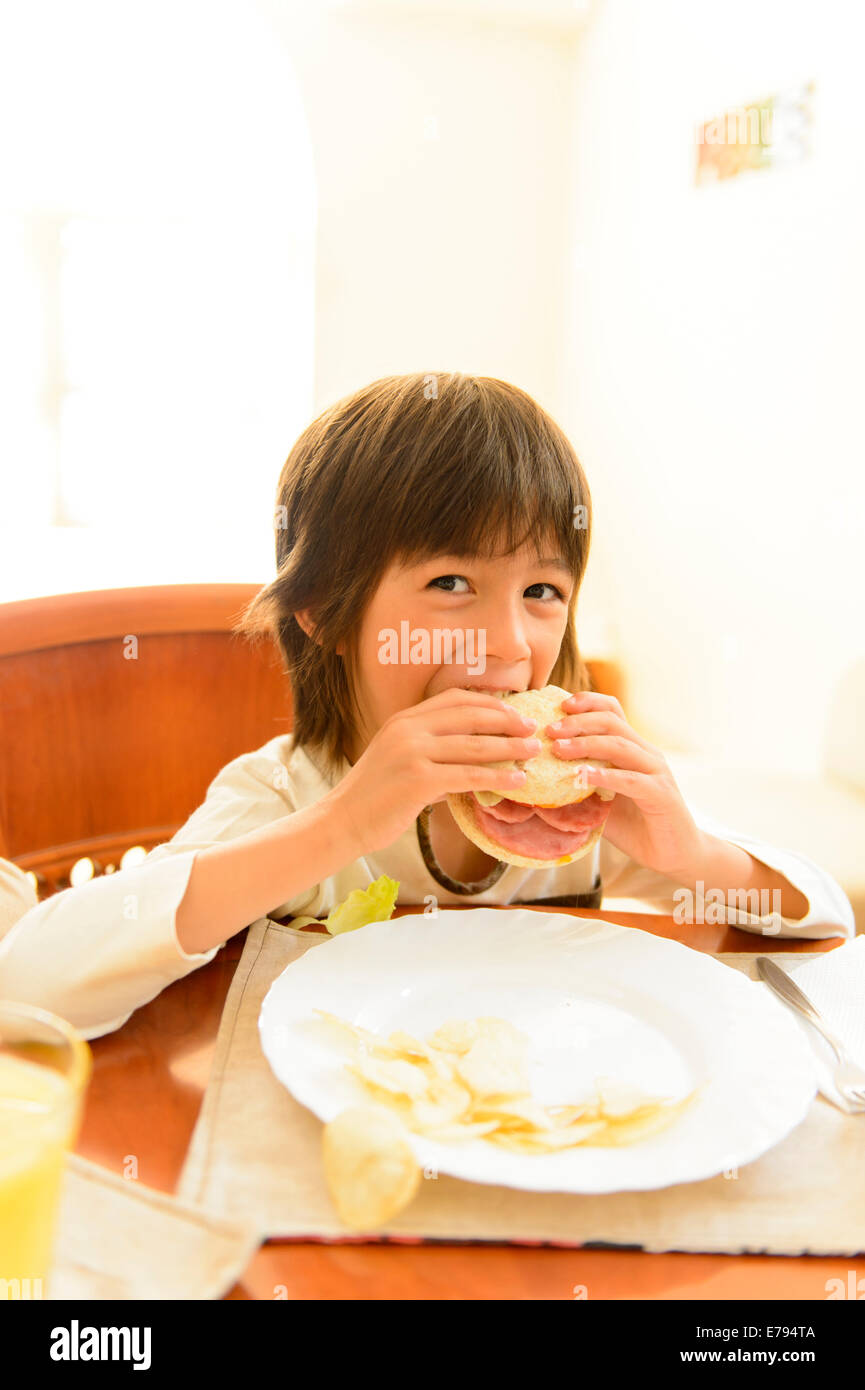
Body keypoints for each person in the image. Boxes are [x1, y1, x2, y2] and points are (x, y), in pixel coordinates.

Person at [0, 373, 854, 1038]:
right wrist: (338, 827)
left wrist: (691, 854)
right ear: (326, 612)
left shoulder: (574, 824)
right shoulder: (283, 796)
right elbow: (26, 986)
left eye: (543, 590)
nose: (510, 643)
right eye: (451, 582)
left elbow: (816, 922)